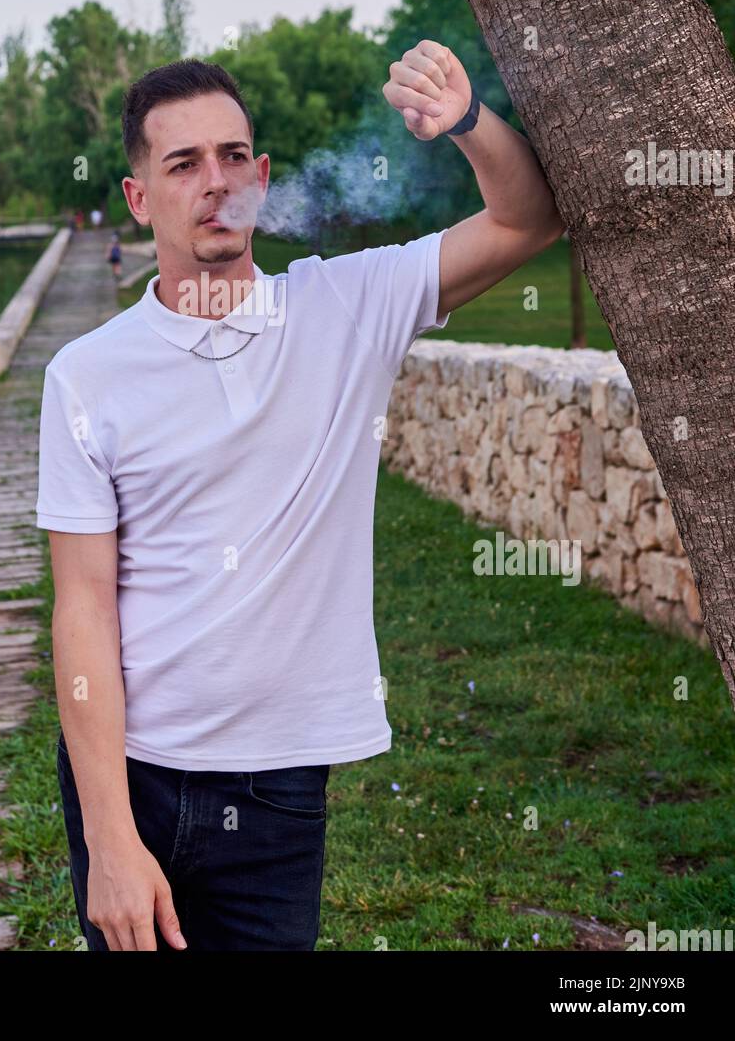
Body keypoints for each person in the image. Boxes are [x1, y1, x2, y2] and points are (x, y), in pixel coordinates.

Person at [36, 47, 564, 951]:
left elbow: (529, 219)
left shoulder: (344, 307)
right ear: (137, 198)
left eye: (233, 157)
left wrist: (468, 122)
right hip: (138, 779)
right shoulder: (86, 376)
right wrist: (109, 836)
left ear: (263, 177)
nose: (215, 182)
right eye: (183, 164)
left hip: (280, 787)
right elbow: (82, 606)